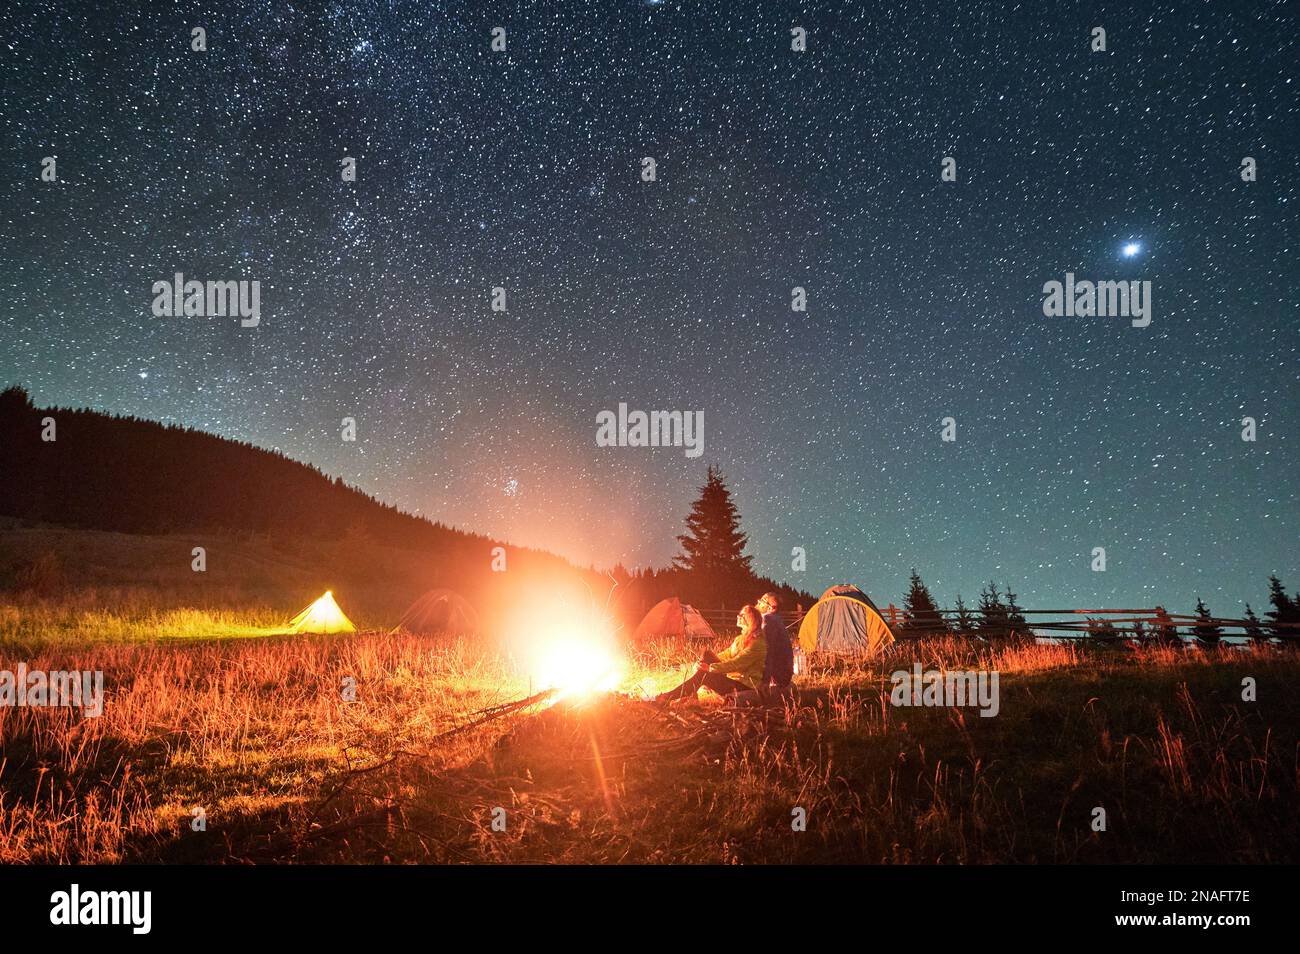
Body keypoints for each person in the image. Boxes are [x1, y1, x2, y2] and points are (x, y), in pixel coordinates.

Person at [655, 604, 767, 703]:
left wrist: (710, 668)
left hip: (743, 686)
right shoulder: (740, 639)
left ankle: (669, 697)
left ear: (750, 620)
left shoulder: (758, 644)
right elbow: (726, 654)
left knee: (704, 675)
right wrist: (703, 663)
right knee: (707, 655)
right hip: (732, 679)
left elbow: (737, 663)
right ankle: (690, 692)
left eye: (742, 615)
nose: (738, 616)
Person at [758, 591, 794, 694]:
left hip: (778, 676)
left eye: (763, 601)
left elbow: (768, 652)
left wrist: (765, 681)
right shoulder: (776, 619)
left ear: (771, 607)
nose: (759, 603)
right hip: (784, 674)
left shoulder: (768, 619)